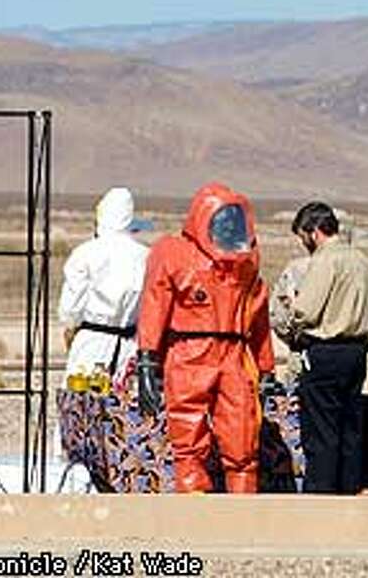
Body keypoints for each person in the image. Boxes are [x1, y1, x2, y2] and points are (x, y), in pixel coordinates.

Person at [136, 182, 274, 493]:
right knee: (188, 438)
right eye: (222, 221)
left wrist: (265, 368)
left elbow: (258, 313)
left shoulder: (246, 263)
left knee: (242, 438)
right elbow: (154, 305)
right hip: (189, 351)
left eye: (234, 222)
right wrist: (147, 359)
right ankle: (193, 514)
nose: (229, 229)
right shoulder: (173, 253)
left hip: (234, 353)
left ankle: (242, 513)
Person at [288, 202, 368, 495]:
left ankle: (322, 497)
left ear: (314, 232)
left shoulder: (326, 261)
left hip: (325, 351)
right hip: (357, 352)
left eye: (303, 236)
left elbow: (306, 310)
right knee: (349, 428)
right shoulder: (365, 263)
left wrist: (292, 311)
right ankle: (348, 492)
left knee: (321, 431)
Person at [58, 187, 149, 390]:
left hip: (90, 345)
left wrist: (70, 328)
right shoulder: (146, 256)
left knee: (82, 407)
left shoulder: (85, 253)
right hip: (130, 347)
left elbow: (71, 307)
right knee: (124, 410)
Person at [268, 253, 311, 384]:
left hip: (305, 351)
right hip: (353, 355)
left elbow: (278, 317)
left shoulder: (297, 268)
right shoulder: (361, 266)